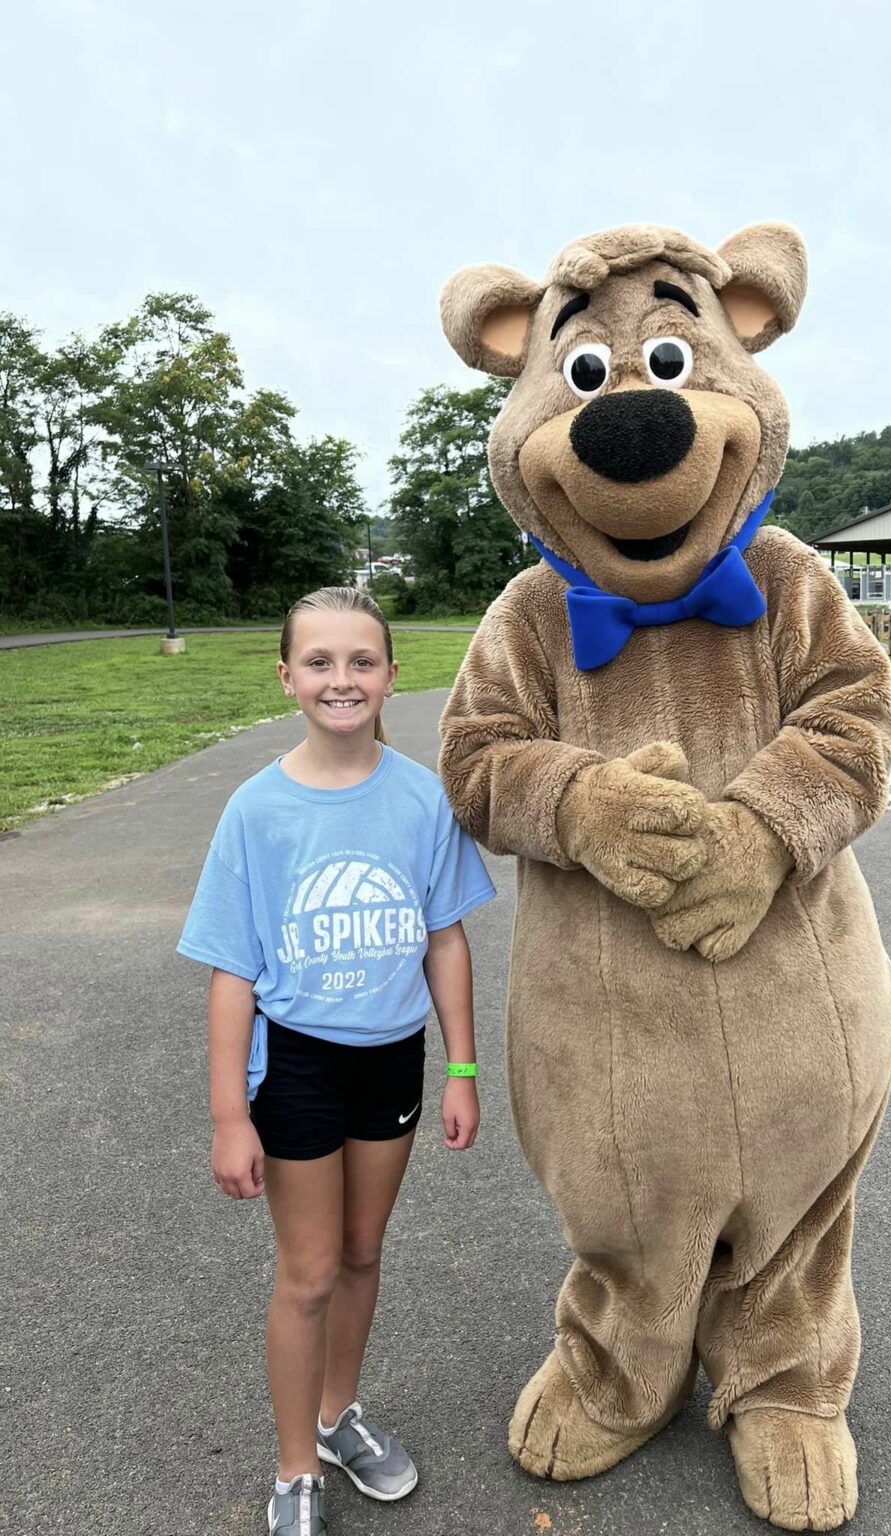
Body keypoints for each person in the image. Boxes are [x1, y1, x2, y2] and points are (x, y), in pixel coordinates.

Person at [177, 586, 495, 1536]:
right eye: (319, 662)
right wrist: (229, 1116)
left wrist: (463, 1070)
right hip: (298, 1069)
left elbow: (445, 940)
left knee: (362, 1252)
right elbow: (232, 973)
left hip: (391, 1060)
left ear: (392, 676)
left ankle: (335, 1416)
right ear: (287, 678)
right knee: (309, 1271)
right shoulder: (257, 810)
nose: (341, 679)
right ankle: (293, 1470)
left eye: (361, 661)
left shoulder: (422, 797)